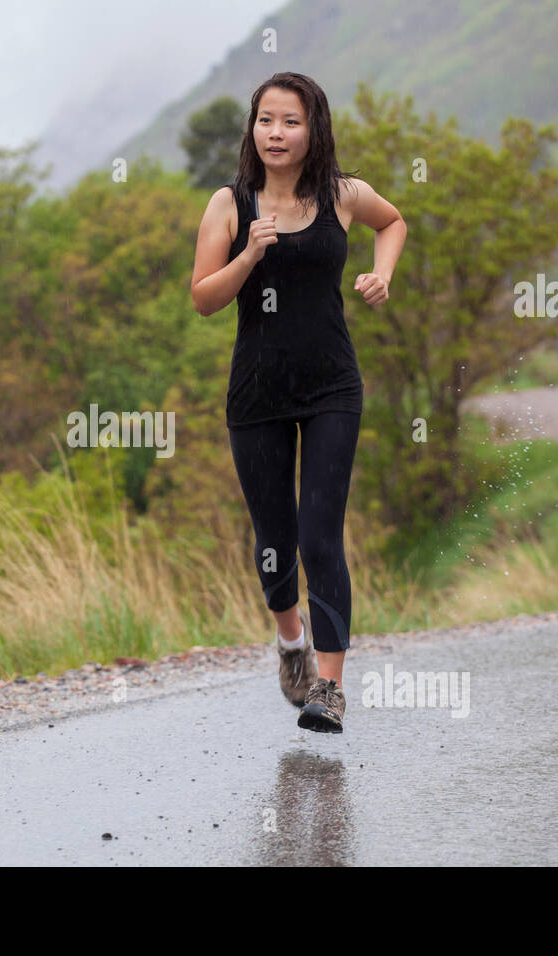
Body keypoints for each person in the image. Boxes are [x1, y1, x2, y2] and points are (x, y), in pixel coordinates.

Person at [190, 72, 407, 734]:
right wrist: (250, 255)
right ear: (251, 129)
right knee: (276, 545)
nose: (276, 133)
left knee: (320, 537)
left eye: (290, 122)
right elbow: (203, 296)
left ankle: (329, 688)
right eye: (265, 120)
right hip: (257, 392)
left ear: (314, 129)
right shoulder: (229, 205)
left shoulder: (343, 194)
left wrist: (382, 273)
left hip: (331, 386)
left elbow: (393, 221)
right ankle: (291, 640)